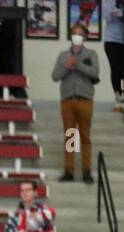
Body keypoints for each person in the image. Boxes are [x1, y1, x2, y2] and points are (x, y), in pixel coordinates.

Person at [54, 24, 99, 184]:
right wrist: (67, 67)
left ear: (85, 37)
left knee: (85, 136)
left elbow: (95, 73)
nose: (76, 37)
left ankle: (87, 171)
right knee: (71, 136)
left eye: (80, 34)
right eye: (74, 34)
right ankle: (69, 170)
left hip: (85, 100)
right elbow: (55, 76)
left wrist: (78, 65)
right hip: (67, 100)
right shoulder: (63, 55)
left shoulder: (91, 54)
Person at [107, 0, 124, 106]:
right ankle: (117, 91)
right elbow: (108, 15)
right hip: (111, 40)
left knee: (121, 67)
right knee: (115, 66)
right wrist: (120, 13)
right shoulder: (109, 2)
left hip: (123, 40)